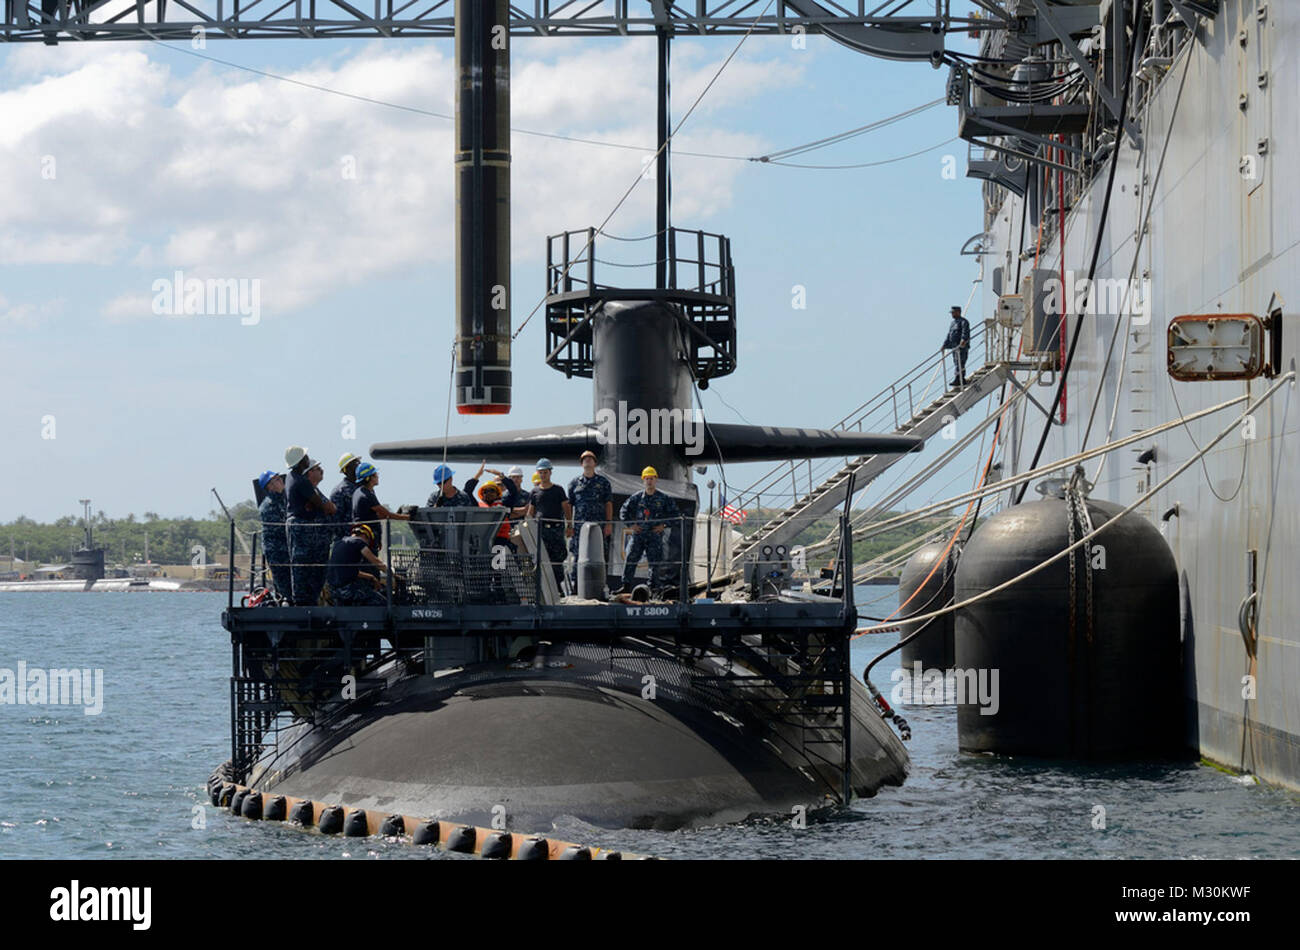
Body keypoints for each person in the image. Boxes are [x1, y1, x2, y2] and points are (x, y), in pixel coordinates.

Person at [284, 446, 336, 606]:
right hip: (302, 528)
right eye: (305, 457)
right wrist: (321, 506)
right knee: (306, 566)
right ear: (301, 462)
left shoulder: (291, 477)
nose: (308, 458)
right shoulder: (301, 481)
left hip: (300, 526)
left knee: (304, 566)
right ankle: (304, 602)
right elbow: (326, 507)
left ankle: (304, 601)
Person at [618, 466, 678, 592]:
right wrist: (631, 525)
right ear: (643, 481)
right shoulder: (637, 497)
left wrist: (664, 525)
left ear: (656, 480)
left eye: (651, 478)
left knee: (655, 564)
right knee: (630, 559)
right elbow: (623, 511)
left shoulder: (663, 498)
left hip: (654, 536)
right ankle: (626, 586)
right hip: (638, 535)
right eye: (647, 479)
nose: (649, 481)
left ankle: (653, 588)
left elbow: (676, 515)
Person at [567, 450, 612, 588]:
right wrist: (569, 525)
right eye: (585, 459)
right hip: (580, 526)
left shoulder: (603, 483)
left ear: (595, 463)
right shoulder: (574, 483)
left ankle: (601, 586)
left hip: (598, 525)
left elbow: (608, 503)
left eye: (590, 459)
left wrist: (608, 523)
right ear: (581, 464)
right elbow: (569, 505)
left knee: (601, 554)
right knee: (577, 555)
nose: (587, 461)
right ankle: (576, 587)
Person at [526, 458, 571, 590]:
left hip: (556, 530)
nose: (543, 475)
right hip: (541, 530)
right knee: (541, 559)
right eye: (541, 472)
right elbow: (530, 512)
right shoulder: (534, 492)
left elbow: (566, 508)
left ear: (550, 473)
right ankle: (543, 588)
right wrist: (528, 527)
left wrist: (570, 525)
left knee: (557, 559)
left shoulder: (558, 490)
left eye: (545, 472)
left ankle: (557, 588)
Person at [326, 524, 388, 606]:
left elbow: (348, 571)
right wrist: (391, 573)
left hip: (334, 590)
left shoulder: (339, 543)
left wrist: (371, 577)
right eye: (368, 542)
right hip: (348, 590)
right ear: (365, 536)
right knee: (382, 603)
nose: (367, 544)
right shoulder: (358, 542)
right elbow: (376, 562)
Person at [351, 462, 409, 548]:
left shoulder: (360, 492)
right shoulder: (367, 495)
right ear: (369, 478)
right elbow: (386, 514)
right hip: (366, 537)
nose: (378, 476)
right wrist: (407, 517)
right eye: (375, 474)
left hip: (363, 536)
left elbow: (377, 515)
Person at [256, 470, 290, 598]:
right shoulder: (268, 505)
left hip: (286, 549)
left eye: (279, 478)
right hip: (277, 551)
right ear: (269, 486)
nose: (281, 480)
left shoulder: (283, 500)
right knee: (283, 585)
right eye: (276, 479)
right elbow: (281, 527)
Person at [330, 453, 362, 542]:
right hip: (348, 542)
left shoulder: (364, 487)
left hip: (366, 539)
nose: (359, 465)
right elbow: (335, 521)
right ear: (346, 469)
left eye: (359, 462)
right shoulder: (339, 491)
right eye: (355, 463)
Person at [477, 480, 515, 551]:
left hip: (500, 540)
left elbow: (513, 491)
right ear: (482, 495)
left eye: (492, 490)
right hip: (482, 541)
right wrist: (475, 478)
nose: (489, 493)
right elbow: (468, 491)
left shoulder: (504, 504)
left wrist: (503, 477)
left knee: (497, 560)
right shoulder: (478, 507)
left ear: (497, 493)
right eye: (485, 491)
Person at [942, 305, 971, 387]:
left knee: (960, 362)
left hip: (961, 347)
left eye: (953, 313)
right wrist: (944, 345)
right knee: (956, 362)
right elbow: (949, 335)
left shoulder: (964, 322)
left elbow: (965, 333)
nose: (952, 314)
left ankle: (960, 379)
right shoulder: (953, 323)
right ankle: (958, 378)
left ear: (958, 312)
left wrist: (963, 340)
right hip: (954, 347)